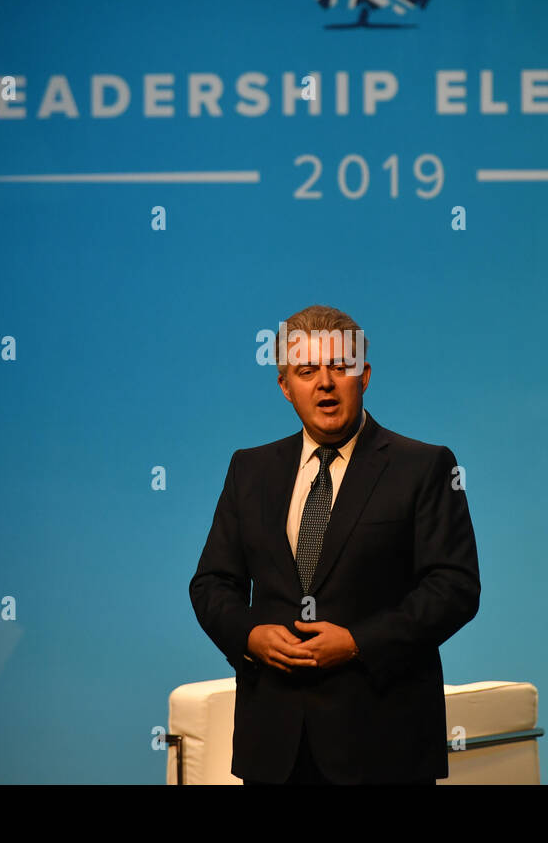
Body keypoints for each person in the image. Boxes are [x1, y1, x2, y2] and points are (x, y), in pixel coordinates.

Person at [189, 305, 480, 783]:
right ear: (286, 387)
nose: (324, 382)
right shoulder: (250, 470)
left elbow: (454, 587)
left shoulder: (424, 466)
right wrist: (250, 637)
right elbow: (212, 583)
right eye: (306, 371)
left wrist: (356, 643)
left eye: (339, 367)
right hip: (273, 749)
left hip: (384, 747)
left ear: (363, 375)